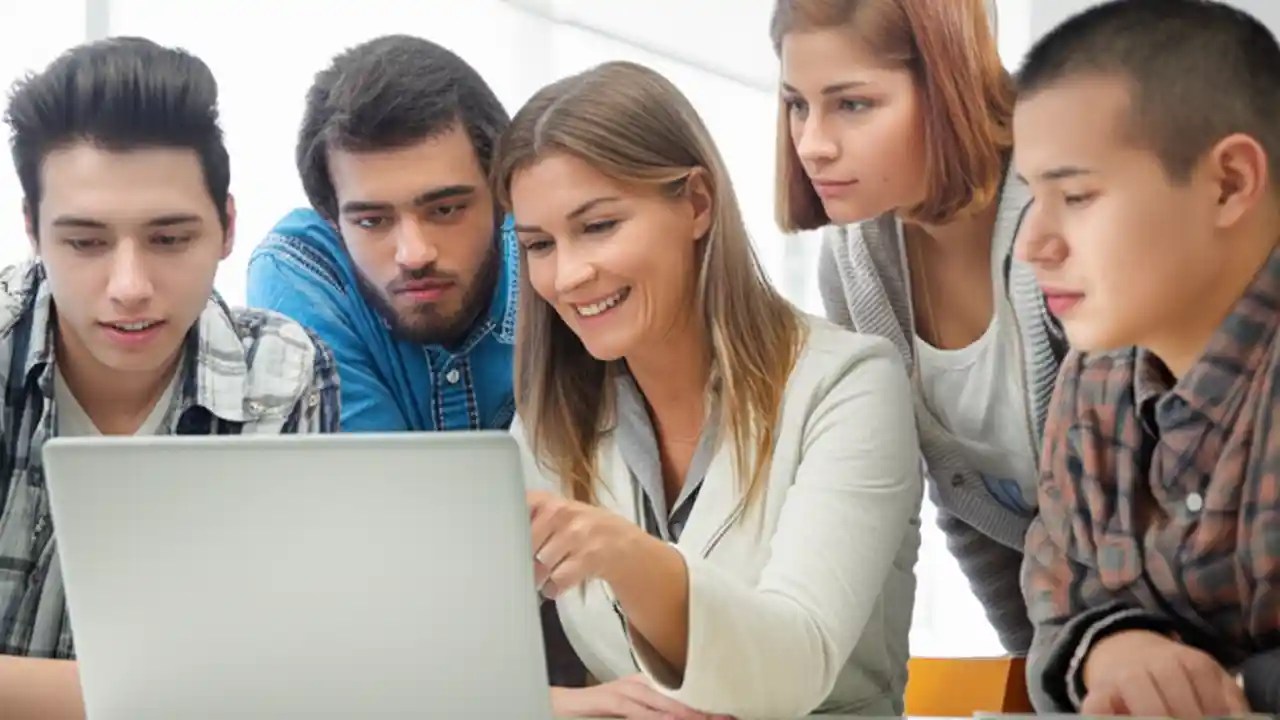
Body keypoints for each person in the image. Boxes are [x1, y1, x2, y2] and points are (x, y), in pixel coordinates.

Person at [499, 60, 923, 719]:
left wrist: (627, 557)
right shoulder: (550, 424)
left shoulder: (850, 386)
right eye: (539, 244)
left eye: (599, 225)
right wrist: (557, 705)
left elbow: (793, 666)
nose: (568, 275)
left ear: (697, 204)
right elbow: (450, 655)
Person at [0, 37, 340, 719]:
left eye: (169, 239)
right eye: (86, 242)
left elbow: (265, 672)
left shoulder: (280, 372)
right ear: (33, 231)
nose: (130, 287)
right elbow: (208, 689)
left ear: (227, 227)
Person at [771, 0, 1067, 653]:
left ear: (947, 88)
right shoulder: (854, 264)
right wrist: (1032, 668)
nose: (812, 143)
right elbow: (969, 501)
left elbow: (1144, 497)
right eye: (797, 104)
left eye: (852, 104)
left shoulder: (1069, 212)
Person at [1013, 0, 1280, 715]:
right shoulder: (1092, 378)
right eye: (1030, 198)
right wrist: (1110, 647)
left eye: (1075, 195)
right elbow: (1057, 610)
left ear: (1228, 183)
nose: (1031, 245)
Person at [246, 35, 518, 433]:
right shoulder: (303, 269)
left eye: (445, 210)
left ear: (503, 194)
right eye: (372, 221)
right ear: (331, 219)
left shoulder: (549, 249)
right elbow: (376, 483)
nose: (414, 254)